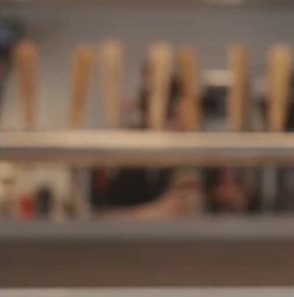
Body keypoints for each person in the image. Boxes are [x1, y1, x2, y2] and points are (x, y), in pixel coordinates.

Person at [94, 67, 250, 219]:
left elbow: (231, 201)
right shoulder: (136, 159)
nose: (184, 126)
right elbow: (105, 217)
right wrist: (157, 211)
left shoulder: (204, 155)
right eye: (173, 116)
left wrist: (231, 200)